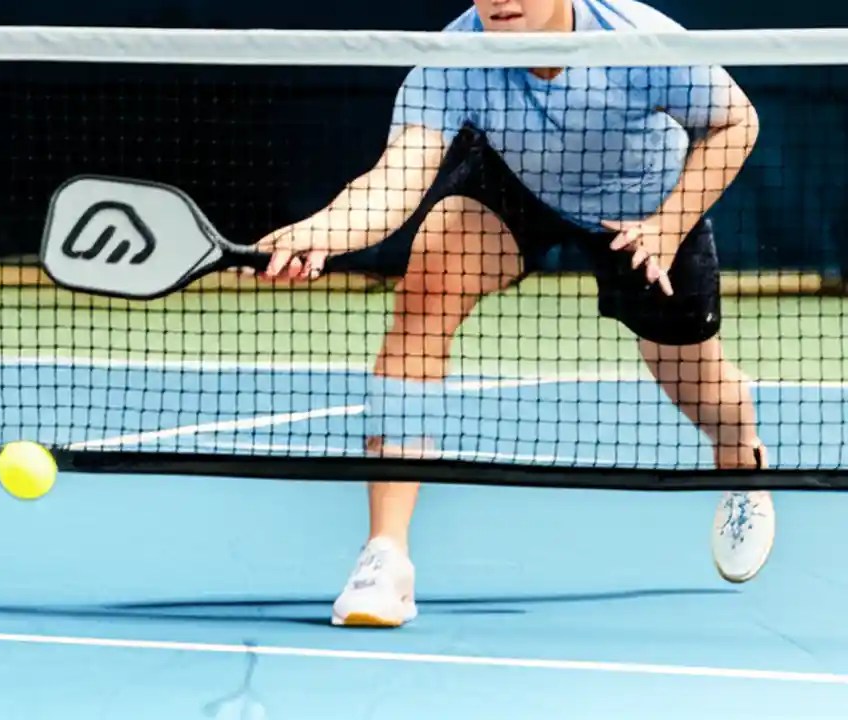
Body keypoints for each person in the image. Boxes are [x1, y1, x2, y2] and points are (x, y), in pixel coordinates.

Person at [251, 0, 776, 627]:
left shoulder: (635, 39)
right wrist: (322, 231)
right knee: (430, 281)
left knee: (698, 387)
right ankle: (385, 555)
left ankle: (740, 456)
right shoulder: (456, 57)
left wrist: (669, 226)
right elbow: (393, 182)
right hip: (522, 185)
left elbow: (736, 122)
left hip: (648, 207)